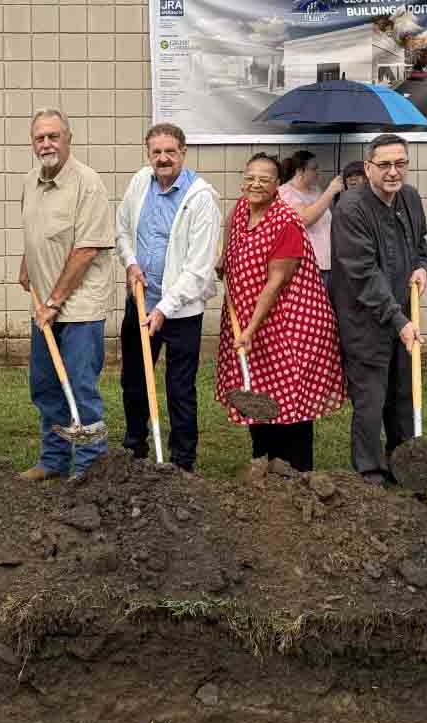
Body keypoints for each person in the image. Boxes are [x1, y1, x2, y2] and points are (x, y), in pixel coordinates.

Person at [215, 153, 345, 471]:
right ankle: (264, 466)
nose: (255, 184)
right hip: (251, 321)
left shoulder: (285, 221)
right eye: (250, 178)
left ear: (277, 186)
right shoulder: (241, 209)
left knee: (291, 398)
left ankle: (297, 475)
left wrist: (248, 330)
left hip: (290, 326)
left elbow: (275, 282)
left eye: (264, 179)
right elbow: (231, 243)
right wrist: (223, 262)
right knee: (256, 391)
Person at [115, 123, 221, 471]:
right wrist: (130, 264)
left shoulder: (201, 198)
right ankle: (135, 450)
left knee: (179, 388)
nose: (163, 158)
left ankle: (182, 462)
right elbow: (123, 230)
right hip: (140, 301)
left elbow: (198, 267)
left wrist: (163, 308)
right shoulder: (140, 182)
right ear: (149, 154)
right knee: (134, 381)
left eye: (170, 152)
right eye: (156, 152)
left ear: (183, 153)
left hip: (180, 312)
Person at [18, 109, 116, 481]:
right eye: (40, 137)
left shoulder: (87, 184)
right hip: (44, 305)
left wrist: (56, 301)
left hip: (78, 308)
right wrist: (27, 262)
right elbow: (37, 229)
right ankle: (54, 460)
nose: (46, 143)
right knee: (45, 386)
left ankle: (90, 465)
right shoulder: (30, 180)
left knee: (80, 387)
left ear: (68, 138)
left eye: (53, 136)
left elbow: (86, 250)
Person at [329, 134, 427, 486]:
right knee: (371, 398)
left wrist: (422, 266)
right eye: (384, 164)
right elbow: (362, 274)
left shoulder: (411, 198)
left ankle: (404, 463)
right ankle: (370, 472)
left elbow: (420, 244)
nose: (393, 172)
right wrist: (397, 320)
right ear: (368, 167)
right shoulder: (351, 208)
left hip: (403, 314)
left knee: (403, 393)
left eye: (400, 163)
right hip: (365, 320)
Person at [278, 150, 342, 287]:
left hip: (327, 261)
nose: (317, 172)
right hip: (307, 264)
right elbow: (304, 219)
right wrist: (330, 191)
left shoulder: (316, 190)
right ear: (300, 171)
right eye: (314, 169)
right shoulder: (285, 192)